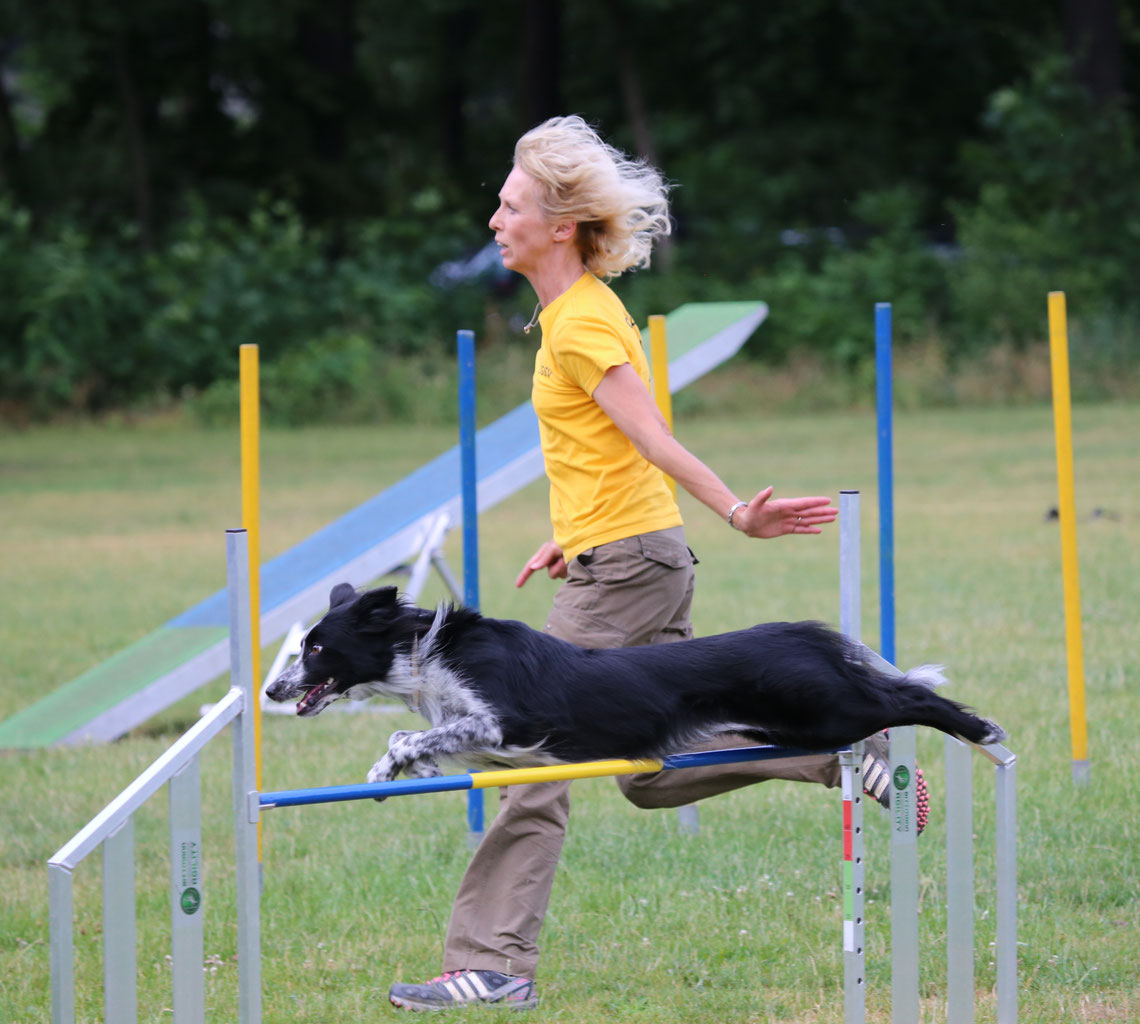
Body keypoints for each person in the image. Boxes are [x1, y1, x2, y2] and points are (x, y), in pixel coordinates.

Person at [388, 116, 897, 1012]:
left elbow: (652, 437)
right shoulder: (571, 317)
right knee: (653, 770)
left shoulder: (581, 324)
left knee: (526, 754)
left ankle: (491, 960)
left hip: (629, 567)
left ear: (559, 225)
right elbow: (604, 451)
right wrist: (572, 534)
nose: (495, 221)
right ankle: (837, 746)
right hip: (626, 555)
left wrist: (738, 509)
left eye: (510, 207)